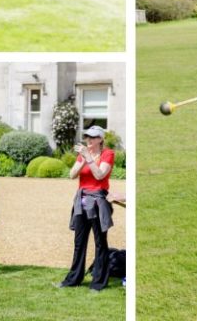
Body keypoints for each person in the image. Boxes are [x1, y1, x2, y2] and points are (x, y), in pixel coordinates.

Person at [59, 125, 115, 291]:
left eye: (92, 137)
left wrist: (88, 158)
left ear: (100, 139)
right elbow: (72, 175)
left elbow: (99, 175)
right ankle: (73, 280)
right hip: (81, 202)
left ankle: (98, 283)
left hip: (98, 202)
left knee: (100, 243)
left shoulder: (108, 154)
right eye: (87, 137)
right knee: (79, 242)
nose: (88, 140)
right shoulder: (83, 154)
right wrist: (83, 158)